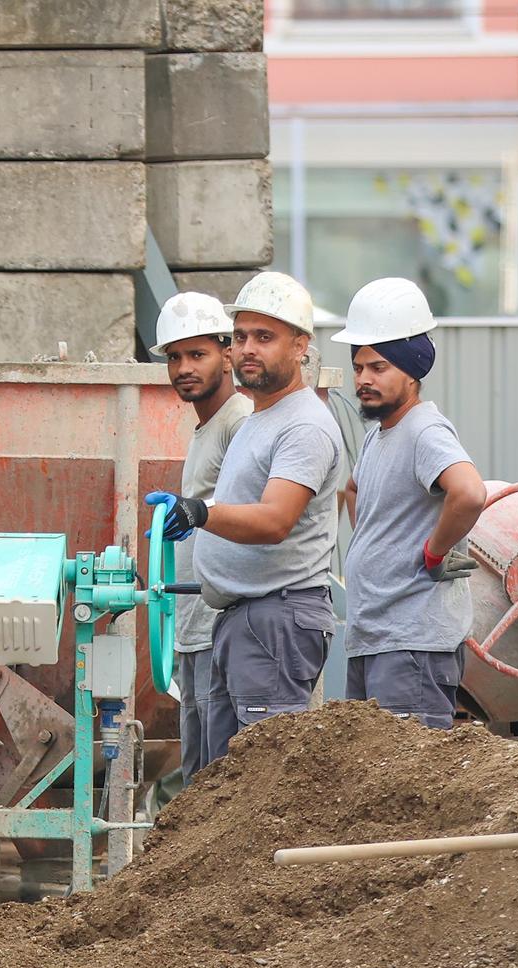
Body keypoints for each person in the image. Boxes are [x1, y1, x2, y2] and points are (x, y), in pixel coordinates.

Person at [146, 272, 344, 760]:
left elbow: (275, 520)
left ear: (300, 345)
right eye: (241, 336)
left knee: (260, 778)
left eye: (265, 337)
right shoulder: (261, 418)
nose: (248, 349)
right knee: (224, 783)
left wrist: (198, 513)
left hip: (274, 619)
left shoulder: (303, 425)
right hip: (244, 619)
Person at [333, 278, 485, 729]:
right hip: (376, 639)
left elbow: (469, 493)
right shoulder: (379, 435)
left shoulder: (424, 431)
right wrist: (378, 545)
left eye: (378, 367)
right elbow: (352, 489)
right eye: (358, 367)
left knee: (405, 771)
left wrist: (434, 552)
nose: (363, 379)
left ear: (412, 368)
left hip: (412, 646)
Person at [149, 292, 251, 784]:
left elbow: (252, 517)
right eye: (174, 357)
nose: (184, 368)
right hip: (193, 627)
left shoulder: (239, 422)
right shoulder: (207, 427)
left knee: (215, 780)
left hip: (219, 627)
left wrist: (195, 513)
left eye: (197, 354)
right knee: (197, 777)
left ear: (227, 355)